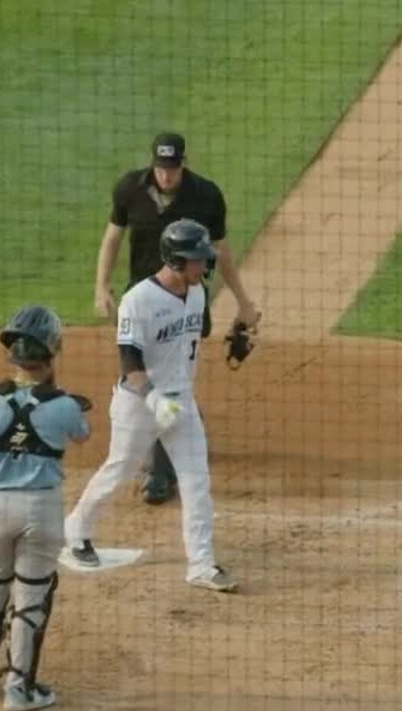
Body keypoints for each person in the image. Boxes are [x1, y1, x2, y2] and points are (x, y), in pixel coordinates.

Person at [66, 219, 237, 592]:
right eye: (197, 260)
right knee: (119, 470)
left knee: (196, 482)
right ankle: (77, 530)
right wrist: (154, 397)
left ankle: (202, 565)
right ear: (176, 260)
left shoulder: (197, 294)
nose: (203, 266)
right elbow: (129, 364)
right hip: (138, 405)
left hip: (182, 405)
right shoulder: (138, 300)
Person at [94, 131, 261, 506]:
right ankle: (159, 470)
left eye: (172, 168)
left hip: (188, 301)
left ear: (184, 163)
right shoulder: (129, 189)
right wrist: (101, 287)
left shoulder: (206, 195)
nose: (166, 175)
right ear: (152, 162)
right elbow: (112, 238)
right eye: (160, 167)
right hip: (143, 304)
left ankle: (182, 431)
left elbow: (223, 251)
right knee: (151, 376)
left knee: (177, 377)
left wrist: (244, 302)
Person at [0, 305, 91, 711]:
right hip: (42, 511)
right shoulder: (65, 408)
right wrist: (55, 390)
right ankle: (19, 690)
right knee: (31, 599)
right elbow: (80, 435)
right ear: (52, 352)